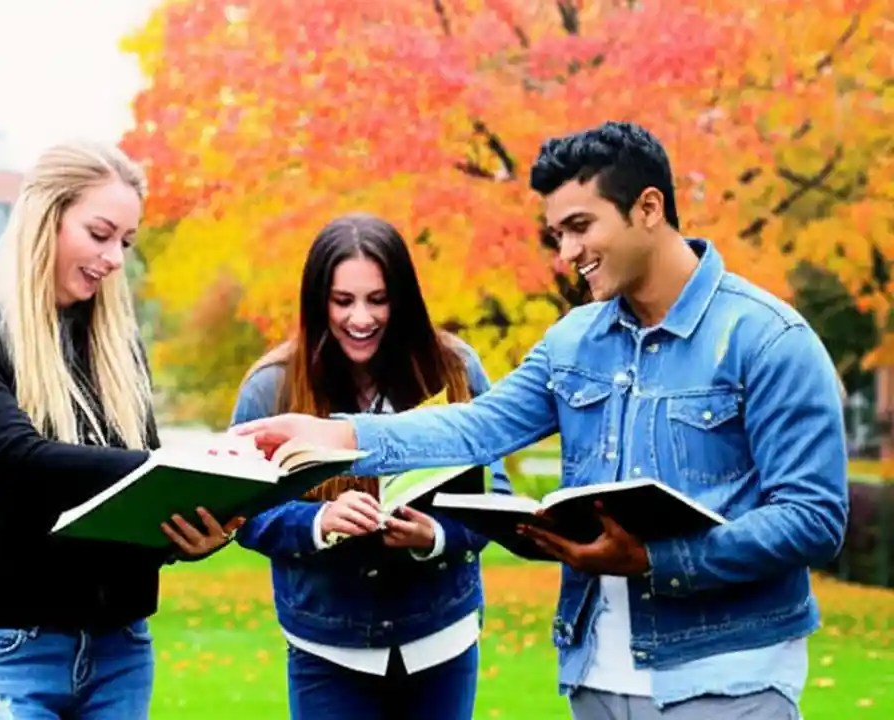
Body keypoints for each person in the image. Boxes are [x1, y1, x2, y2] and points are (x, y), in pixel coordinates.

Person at [231, 122, 848, 720]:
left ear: (649, 207)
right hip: (595, 676)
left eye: (580, 228)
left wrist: (660, 561)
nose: (567, 254)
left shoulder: (769, 341)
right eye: (557, 234)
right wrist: (344, 436)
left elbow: (813, 519)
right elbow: (477, 427)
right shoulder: (574, 339)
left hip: (727, 674)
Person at [0, 140, 239, 719]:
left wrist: (187, 530)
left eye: (126, 241)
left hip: (121, 649)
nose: (115, 257)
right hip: (6, 649)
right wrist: (181, 464)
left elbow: (126, 500)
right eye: (100, 233)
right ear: (47, 217)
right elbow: (20, 461)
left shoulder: (118, 351)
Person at [229, 213, 514, 720]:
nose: (361, 318)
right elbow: (240, 513)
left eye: (377, 299)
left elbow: (498, 496)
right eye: (343, 301)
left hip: (441, 640)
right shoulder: (269, 387)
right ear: (318, 301)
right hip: (326, 648)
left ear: (402, 298)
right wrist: (316, 523)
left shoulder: (456, 369)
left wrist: (438, 536)